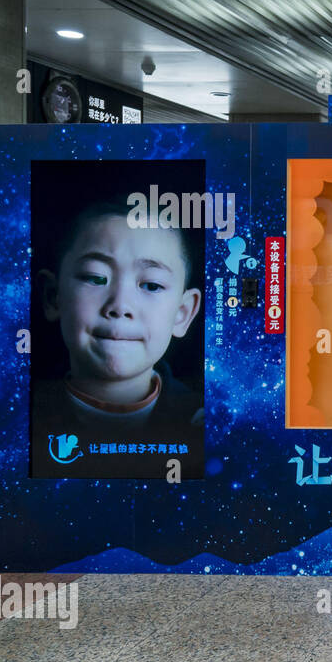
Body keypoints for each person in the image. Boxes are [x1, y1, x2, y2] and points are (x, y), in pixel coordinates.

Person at [32, 200, 204, 478]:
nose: (120, 305)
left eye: (151, 285)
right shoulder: (12, 416)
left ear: (182, 314)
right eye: (95, 278)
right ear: (53, 296)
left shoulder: (212, 424)